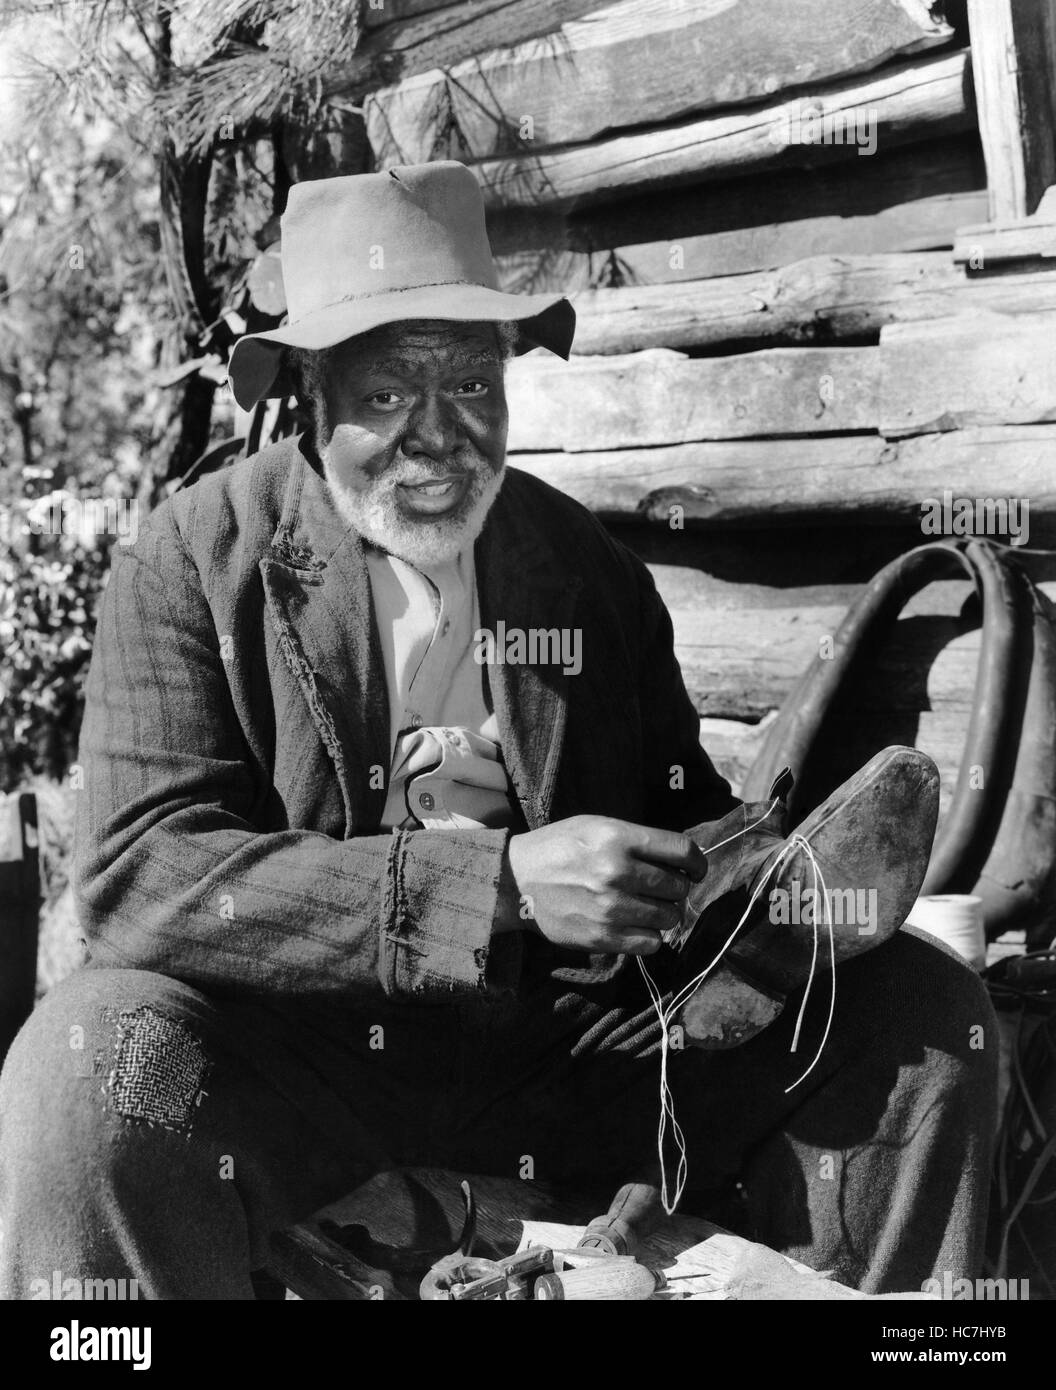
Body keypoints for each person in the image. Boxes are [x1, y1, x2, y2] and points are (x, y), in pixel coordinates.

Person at [0, 162, 996, 1299]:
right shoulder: (189, 560)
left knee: (920, 1013)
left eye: (472, 386)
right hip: (294, 1052)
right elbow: (138, 877)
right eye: (386, 397)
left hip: (554, 1050)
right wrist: (497, 885)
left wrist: (751, 883)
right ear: (311, 395)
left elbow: (679, 812)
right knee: (85, 1067)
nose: (438, 439)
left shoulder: (585, 571)